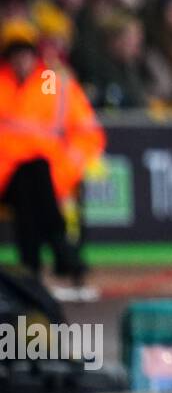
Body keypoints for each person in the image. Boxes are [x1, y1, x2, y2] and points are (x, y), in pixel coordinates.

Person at [0, 19, 106, 285]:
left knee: (31, 180)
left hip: (46, 176)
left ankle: (31, 268)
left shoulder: (54, 85)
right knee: (31, 176)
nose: (20, 60)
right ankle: (62, 251)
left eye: (25, 53)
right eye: (15, 53)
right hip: (6, 176)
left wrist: (68, 169)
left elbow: (89, 134)